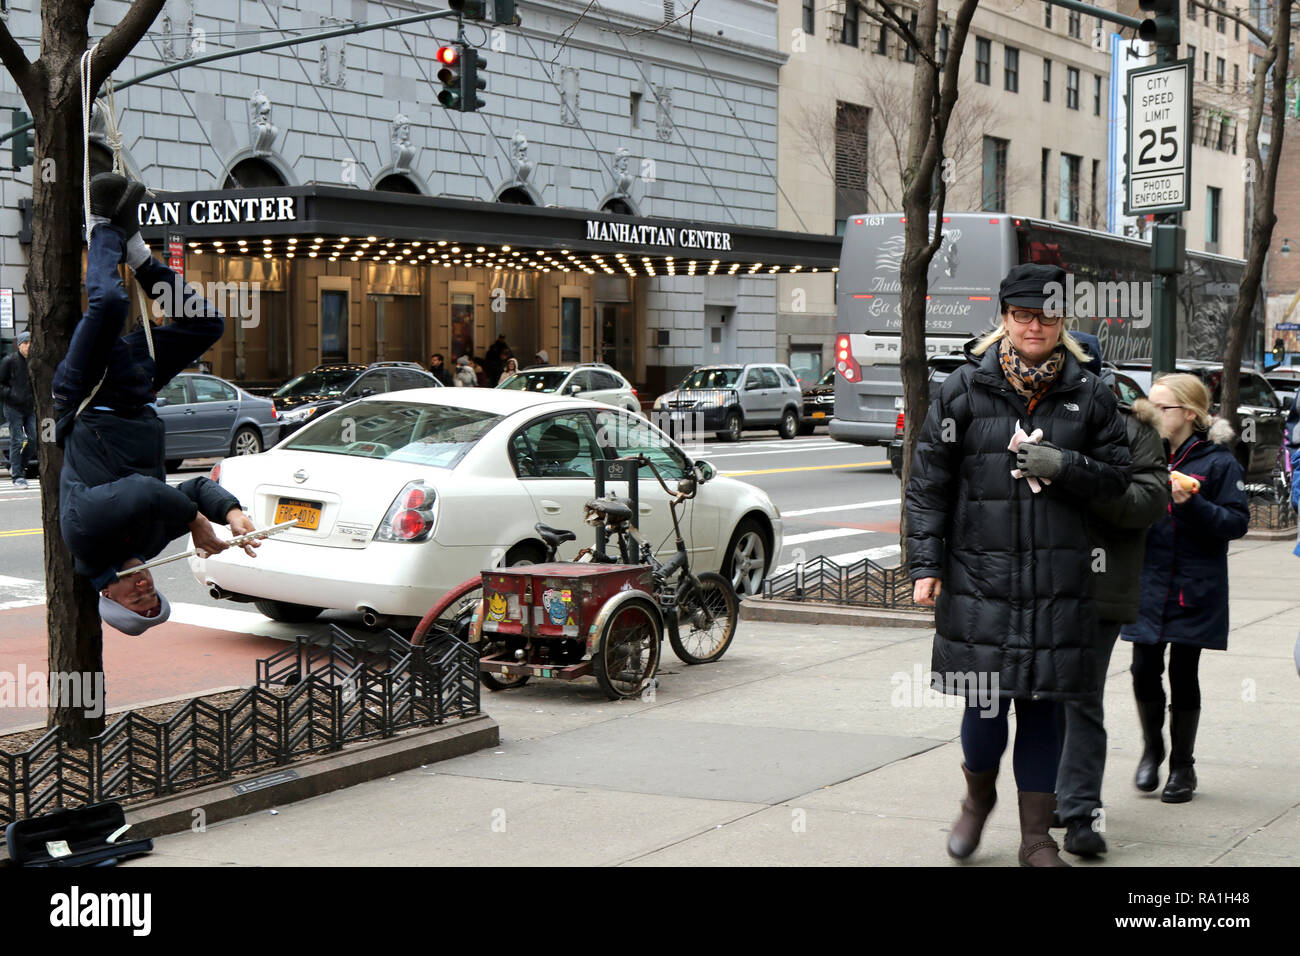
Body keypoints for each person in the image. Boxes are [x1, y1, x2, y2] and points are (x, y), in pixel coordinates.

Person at [907, 263, 1130, 867]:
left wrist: (1066, 466)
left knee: (1043, 708)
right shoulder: (962, 391)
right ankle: (977, 801)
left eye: (1048, 315)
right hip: (980, 580)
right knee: (984, 705)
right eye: (1023, 315)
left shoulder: (1091, 395)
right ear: (1004, 319)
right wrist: (925, 563)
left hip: (1059, 582)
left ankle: (1037, 837)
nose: (1035, 326)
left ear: (1064, 320)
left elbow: (1122, 484)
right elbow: (928, 485)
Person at [53, 173, 261, 636]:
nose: (146, 594)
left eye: (137, 602)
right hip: (135, 393)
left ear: (109, 595)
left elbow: (144, 493)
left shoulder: (85, 537)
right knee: (205, 323)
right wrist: (230, 513)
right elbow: (191, 493)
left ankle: (103, 223)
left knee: (107, 303)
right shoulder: (148, 543)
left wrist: (194, 525)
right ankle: (137, 251)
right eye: (154, 601)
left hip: (89, 394)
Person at [1054, 333, 1170, 858]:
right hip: (1026, 579)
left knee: (1080, 697)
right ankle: (1042, 801)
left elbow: (1148, 500)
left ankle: (1079, 812)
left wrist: (1076, 477)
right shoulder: (1017, 411)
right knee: (1030, 697)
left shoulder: (1133, 426)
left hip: (1096, 584)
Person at [1122, 373, 1249, 803]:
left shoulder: (1218, 463)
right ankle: (1151, 747)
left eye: (1161, 408)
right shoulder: (1144, 453)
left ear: (1189, 414)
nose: (1151, 414)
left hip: (1194, 585)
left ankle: (1182, 765)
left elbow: (1235, 522)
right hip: (1148, 579)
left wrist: (1192, 504)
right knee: (1142, 669)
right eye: (1148, 407)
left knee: (1183, 672)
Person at [0, 330, 35, 487]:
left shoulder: (34, 362)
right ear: (20, 345)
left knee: (34, 439)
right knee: (17, 440)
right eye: (25, 343)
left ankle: (18, 467)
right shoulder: (9, 361)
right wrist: (11, 394)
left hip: (30, 407)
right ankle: (17, 476)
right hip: (13, 407)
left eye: (30, 343)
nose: (28, 346)